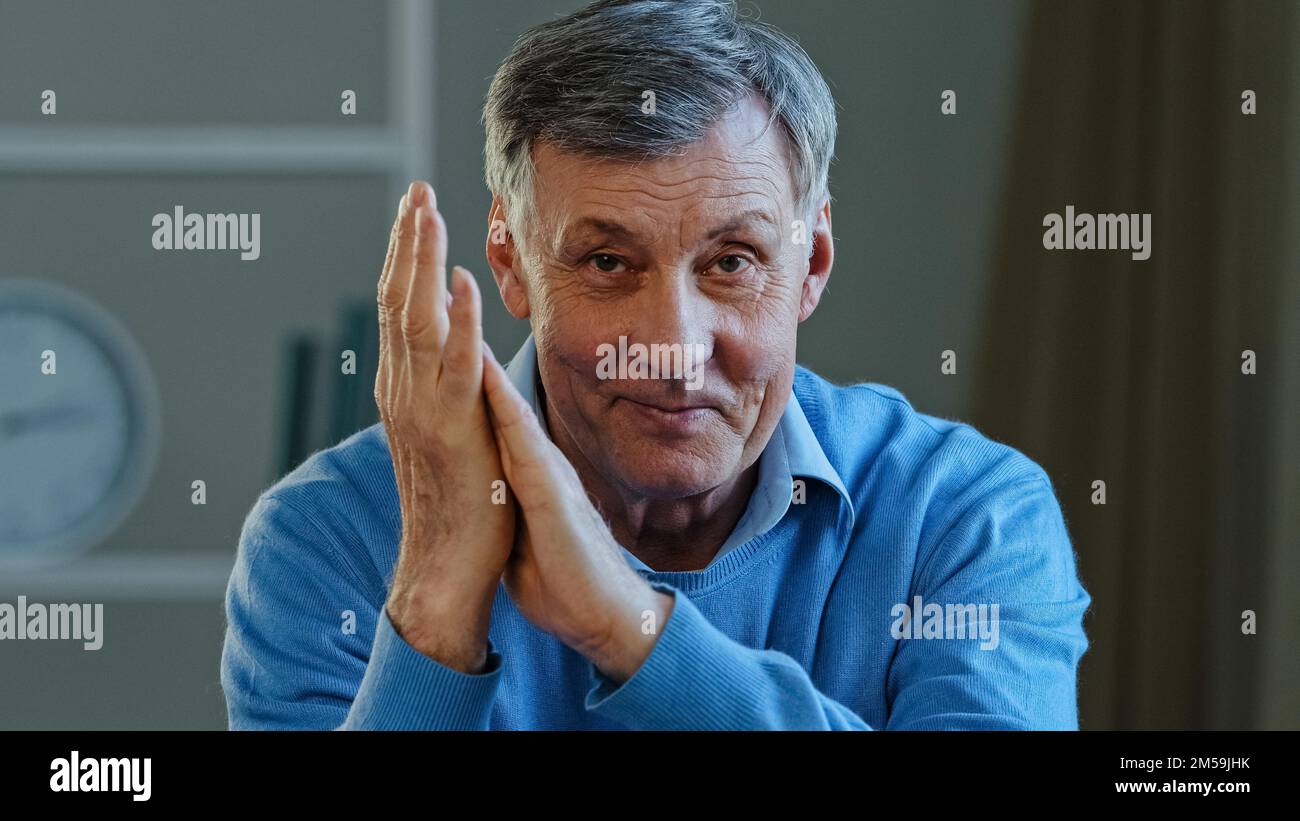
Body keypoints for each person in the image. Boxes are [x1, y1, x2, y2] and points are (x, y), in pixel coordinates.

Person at [221, 0, 1090, 730]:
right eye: (606, 262)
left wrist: (628, 627)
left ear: (811, 262)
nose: (674, 349)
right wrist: (436, 609)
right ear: (512, 259)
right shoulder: (324, 539)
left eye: (732, 262)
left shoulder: (967, 515)